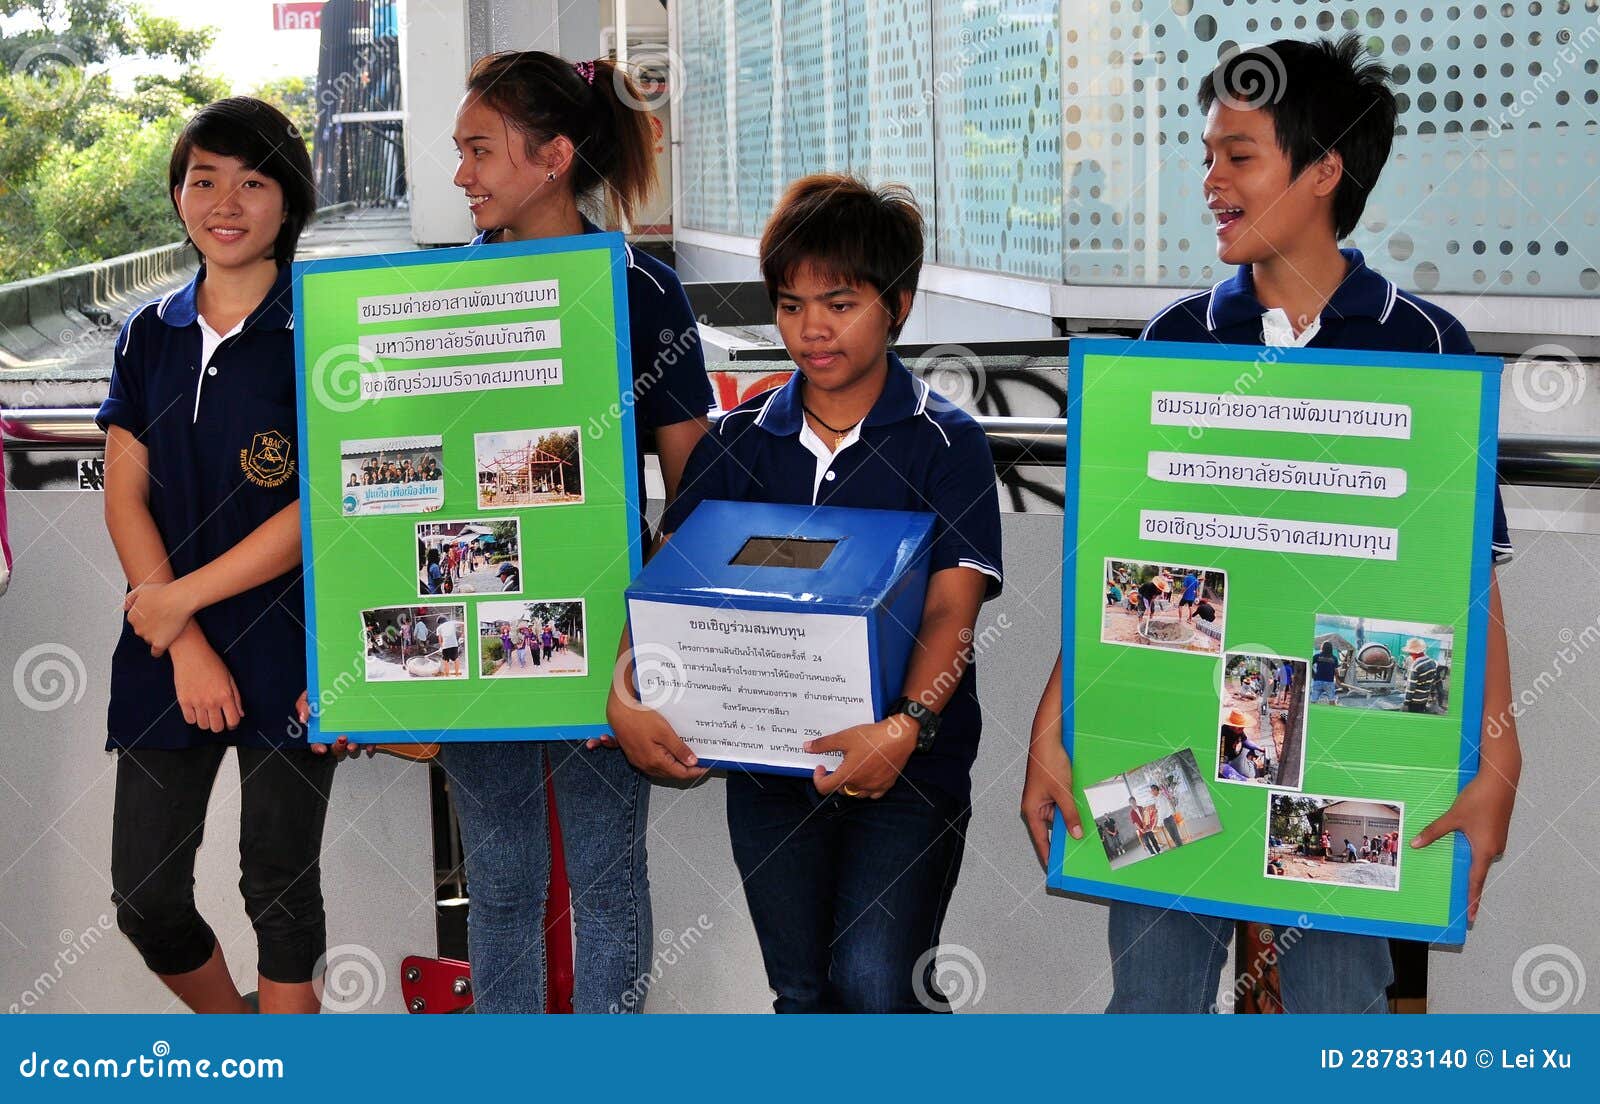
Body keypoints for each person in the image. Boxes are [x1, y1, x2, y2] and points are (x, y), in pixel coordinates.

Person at [1024, 35, 1521, 1014]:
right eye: (1204, 154)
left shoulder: (1421, 343)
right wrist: (1055, 728)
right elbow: (1121, 571)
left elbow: (1460, 584)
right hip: (1167, 742)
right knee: (1151, 1006)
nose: (1210, 180)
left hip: (1345, 738)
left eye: (1237, 155)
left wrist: (1498, 763)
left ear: (1324, 170)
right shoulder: (1173, 340)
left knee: (1337, 1009)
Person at [607, 174, 1003, 1013]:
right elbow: (670, 589)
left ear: (897, 305)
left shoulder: (947, 444)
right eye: (789, 305)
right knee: (800, 992)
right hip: (769, 773)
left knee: (877, 987)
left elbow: (950, 615)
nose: (810, 328)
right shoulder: (738, 438)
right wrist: (625, 691)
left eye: (840, 302)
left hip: (908, 769)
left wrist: (907, 727)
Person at [437, 50, 714, 1014]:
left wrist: (651, 640)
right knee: (502, 883)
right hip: (476, 634)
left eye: (479, 150)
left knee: (606, 884)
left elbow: (694, 490)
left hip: (607, 640)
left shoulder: (642, 289)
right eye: (460, 152)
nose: (461, 174)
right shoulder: (436, 300)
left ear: (553, 156)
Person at [97, 97, 329, 1014]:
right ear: (178, 195)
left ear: (289, 201)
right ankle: (246, 1053)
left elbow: (322, 507)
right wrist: (180, 633)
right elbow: (124, 494)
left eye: (252, 181)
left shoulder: (323, 326)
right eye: (203, 180)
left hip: (291, 641)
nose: (224, 202)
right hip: (165, 642)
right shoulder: (146, 332)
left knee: (277, 883)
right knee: (145, 896)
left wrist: (179, 600)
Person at [1402, 638, 1440, 714]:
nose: (1410, 655)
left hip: (1414, 702)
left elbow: (1411, 688)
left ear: (1413, 653)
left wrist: (1406, 703)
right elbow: (1432, 682)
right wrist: (1433, 696)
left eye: (1410, 653)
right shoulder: (1432, 662)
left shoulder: (1416, 665)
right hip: (1424, 699)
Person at [1150, 784, 1183, 848]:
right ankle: (1179, 846)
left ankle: (1180, 847)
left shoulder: (1161, 798)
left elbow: (1162, 812)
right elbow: (1159, 810)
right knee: (1173, 835)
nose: (1151, 792)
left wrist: (1158, 824)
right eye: (1151, 791)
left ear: (1156, 790)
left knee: (1175, 835)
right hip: (1166, 820)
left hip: (1168, 819)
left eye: (1152, 790)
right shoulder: (1157, 798)